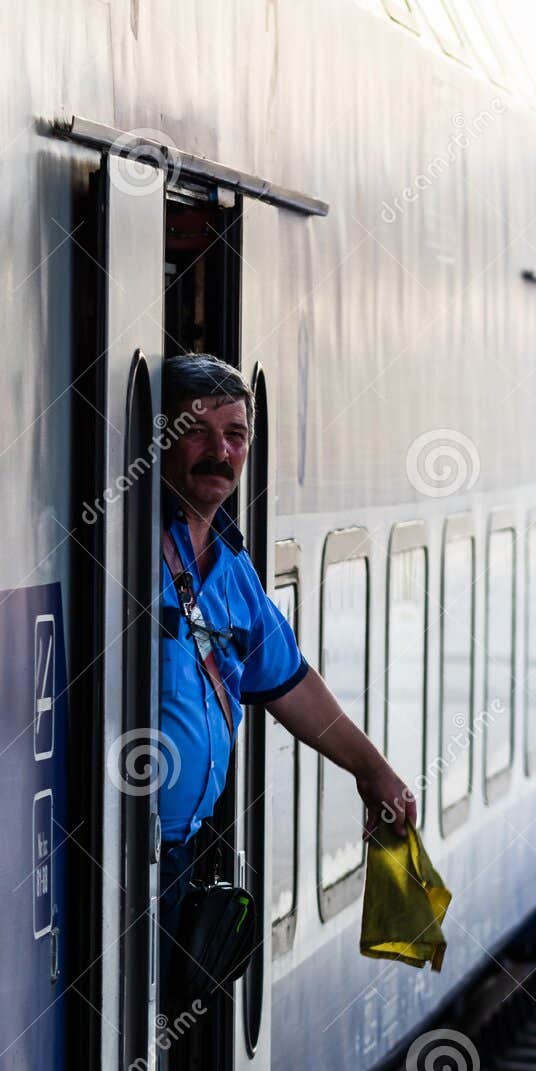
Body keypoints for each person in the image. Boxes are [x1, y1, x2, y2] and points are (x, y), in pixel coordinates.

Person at [157, 353, 415, 996]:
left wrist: (372, 771)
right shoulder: (131, 548)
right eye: (197, 429)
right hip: (122, 858)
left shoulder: (229, 562)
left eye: (235, 435)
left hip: (180, 857)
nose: (220, 452)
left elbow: (288, 682)